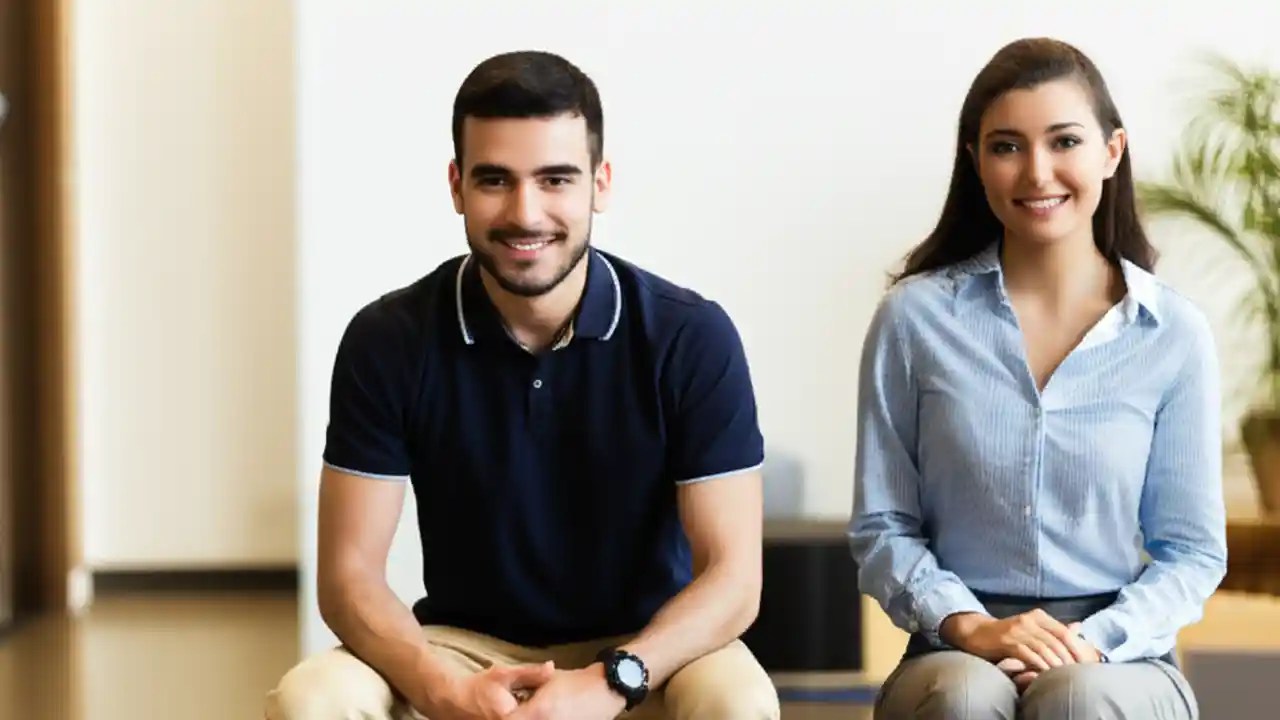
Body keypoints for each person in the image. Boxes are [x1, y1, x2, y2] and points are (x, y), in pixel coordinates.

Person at [264, 50, 779, 720]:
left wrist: (611, 680)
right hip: (460, 646)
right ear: (456, 186)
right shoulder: (387, 339)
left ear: (601, 183)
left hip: (646, 648)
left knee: (740, 704)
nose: (525, 212)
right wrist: (440, 686)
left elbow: (734, 581)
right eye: (495, 180)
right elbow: (347, 577)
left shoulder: (690, 337)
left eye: (556, 179)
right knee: (312, 699)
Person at [848, 37, 1225, 719]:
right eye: (1007, 146)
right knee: (962, 697)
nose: (1037, 172)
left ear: (1111, 152)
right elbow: (883, 527)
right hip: (951, 643)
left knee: (1076, 698)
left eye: (1064, 141)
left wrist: (1090, 643)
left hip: (1120, 654)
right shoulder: (913, 321)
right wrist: (972, 628)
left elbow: (1191, 553)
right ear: (975, 162)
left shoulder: (1173, 335)